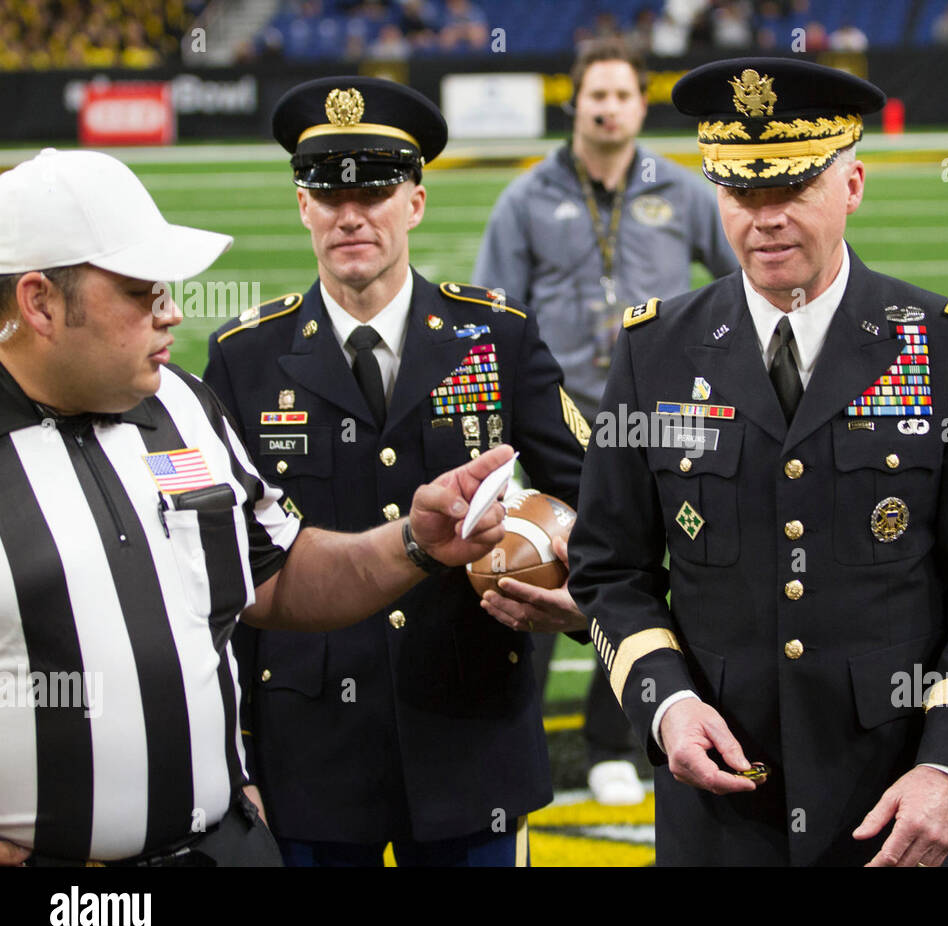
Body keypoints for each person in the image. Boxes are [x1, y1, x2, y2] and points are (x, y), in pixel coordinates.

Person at [565, 57, 948, 866]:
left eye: (791, 188)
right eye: (740, 192)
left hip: (896, 806)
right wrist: (666, 705)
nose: (765, 218)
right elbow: (609, 568)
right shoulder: (653, 349)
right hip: (717, 810)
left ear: (853, 184)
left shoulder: (942, 343)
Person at [0, 148, 514, 867]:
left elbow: (274, 574)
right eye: (142, 290)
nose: (172, 311)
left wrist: (414, 543)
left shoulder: (178, 402)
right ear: (40, 303)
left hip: (222, 848)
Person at [205, 76, 588, 867]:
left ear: (414, 202)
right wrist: (232, 753)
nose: (352, 214)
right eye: (327, 191)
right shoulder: (243, 359)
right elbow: (221, 570)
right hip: (308, 756)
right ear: (302, 205)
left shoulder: (498, 336)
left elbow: (600, 495)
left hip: (470, 738)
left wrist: (578, 595)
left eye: (376, 189)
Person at [472, 36, 737, 805]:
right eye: (597, 95)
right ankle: (513, 738)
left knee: (641, 579)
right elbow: (493, 315)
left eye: (623, 95)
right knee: (534, 567)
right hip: (557, 422)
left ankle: (609, 739)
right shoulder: (526, 196)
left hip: (655, 420)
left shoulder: (683, 190)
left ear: (640, 104)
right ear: (575, 102)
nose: (609, 107)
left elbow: (738, 282)